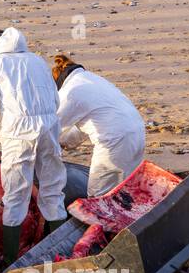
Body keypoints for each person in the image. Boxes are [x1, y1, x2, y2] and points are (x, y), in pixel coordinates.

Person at [0, 27, 67, 265]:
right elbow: (55, 99)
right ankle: (61, 256)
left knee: (15, 195)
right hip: (49, 125)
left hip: (17, 131)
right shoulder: (37, 60)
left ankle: (10, 261)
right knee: (54, 189)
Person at [53, 54, 146, 196]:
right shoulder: (92, 79)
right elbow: (88, 123)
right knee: (124, 189)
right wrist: (65, 142)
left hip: (115, 140)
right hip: (137, 132)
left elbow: (50, 127)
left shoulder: (69, 92)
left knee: (98, 196)